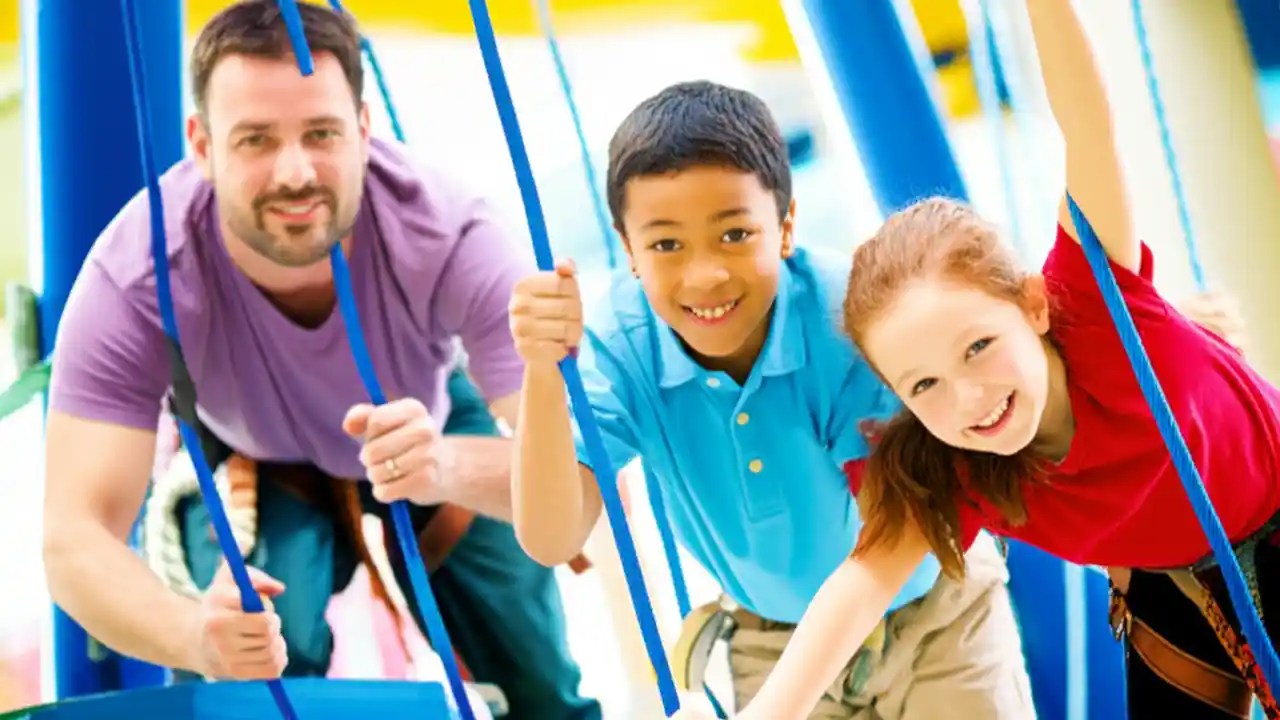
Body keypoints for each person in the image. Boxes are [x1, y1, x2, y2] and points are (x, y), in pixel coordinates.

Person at [698, 1, 1280, 718]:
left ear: (1034, 305)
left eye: (978, 347)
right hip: (1171, 585)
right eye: (925, 385)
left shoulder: (1094, 302)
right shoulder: (956, 467)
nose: (969, 397)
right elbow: (861, 584)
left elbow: (1087, 124)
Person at [41, 3, 599, 718]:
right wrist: (195, 638)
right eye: (256, 140)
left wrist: (443, 467)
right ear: (201, 145)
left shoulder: (454, 230)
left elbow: (580, 488)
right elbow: (71, 538)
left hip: (424, 425)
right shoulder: (137, 273)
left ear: (364, 131)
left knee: (537, 682)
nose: (295, 172)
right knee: (261, 667)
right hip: (251, 449)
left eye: (321, 133)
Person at [508, 80, 1036, 718]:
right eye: (666, 244)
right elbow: (550, 536)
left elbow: (894, 536)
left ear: (785, 228)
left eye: (734, 235)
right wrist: (542, 373)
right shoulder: (622, 345)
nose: (704, 273)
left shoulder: (849, 320)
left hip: (935, 617)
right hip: (768, 639)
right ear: (628, 251)